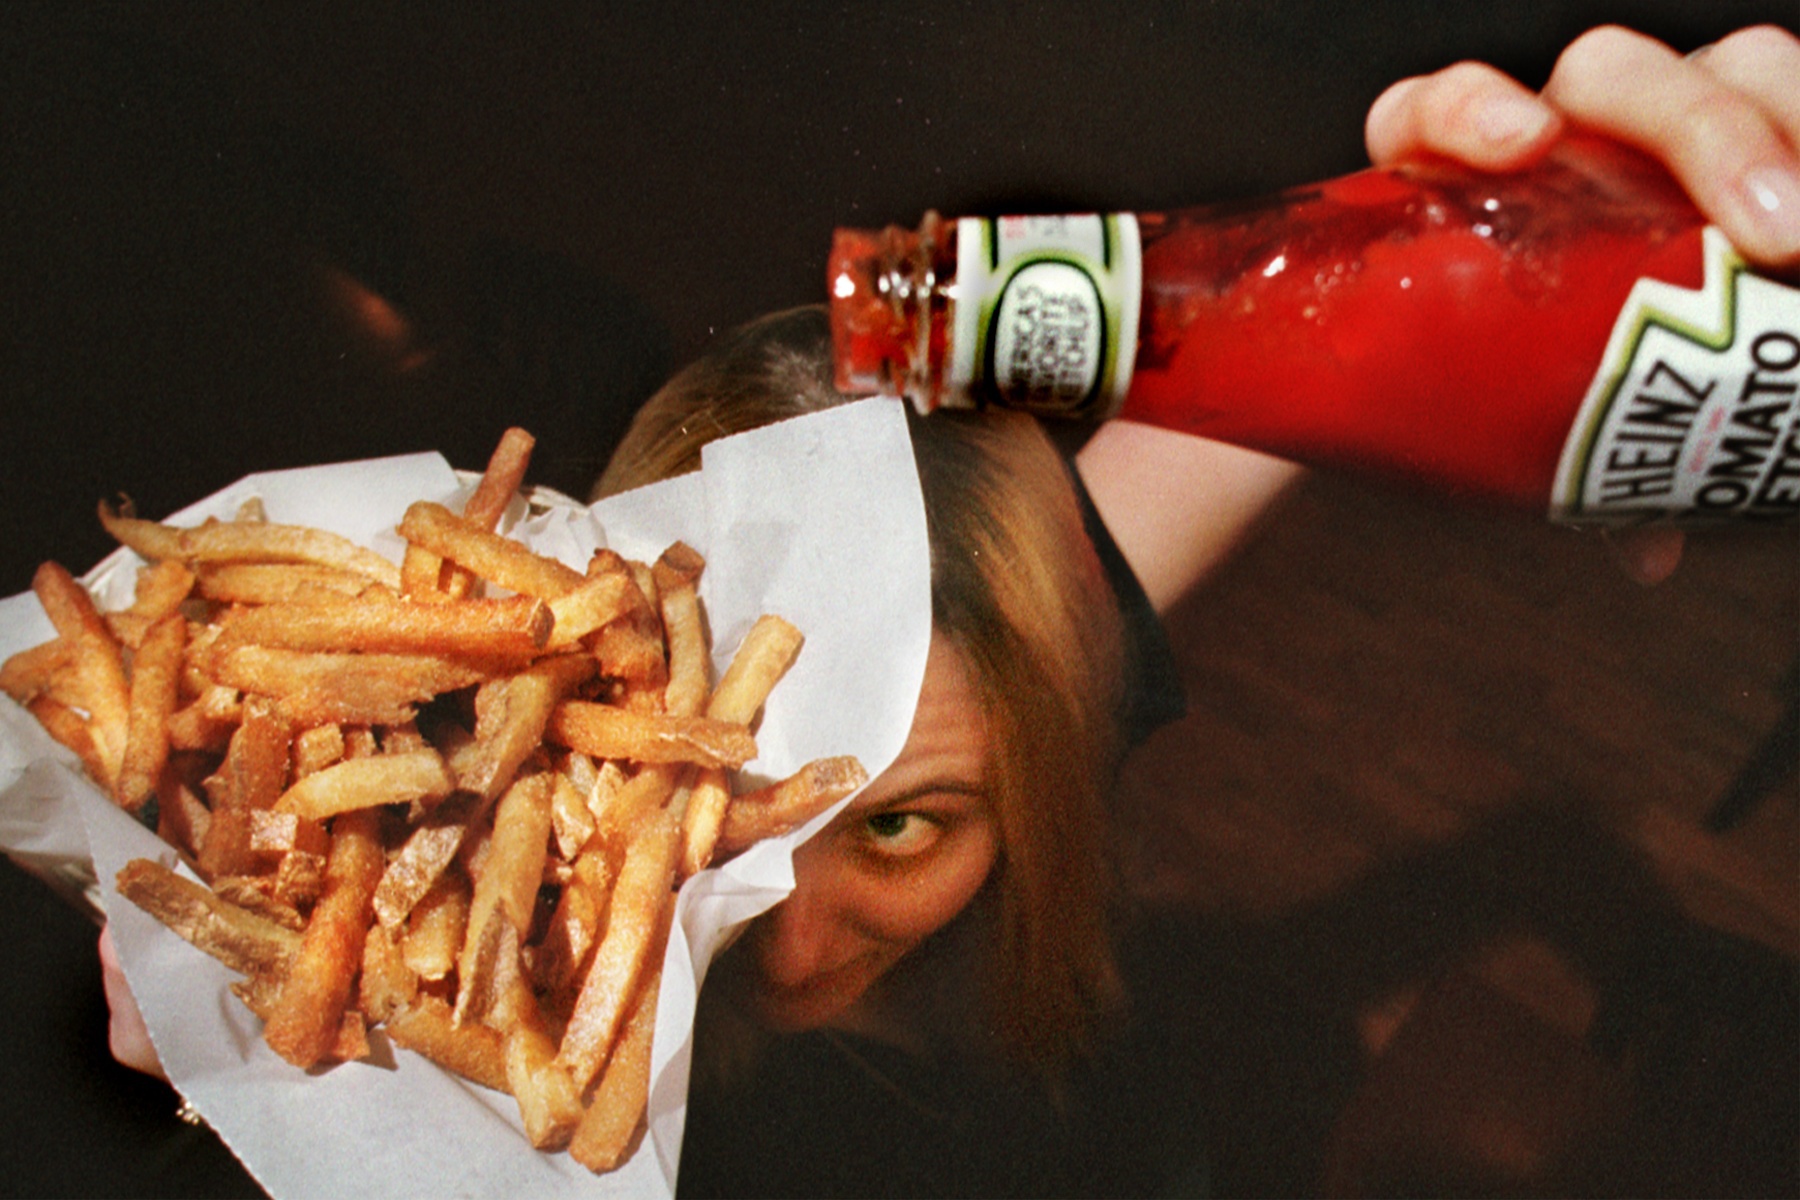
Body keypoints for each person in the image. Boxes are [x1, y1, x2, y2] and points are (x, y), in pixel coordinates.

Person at [99, 21, 1800, 1196]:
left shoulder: (1010, 657)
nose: (799, 925)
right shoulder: (454, 945)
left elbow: (1336, 350)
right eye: (720, 803)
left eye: (907, 825)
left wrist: (1585, 230)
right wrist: (235, 1069)